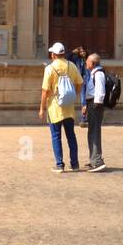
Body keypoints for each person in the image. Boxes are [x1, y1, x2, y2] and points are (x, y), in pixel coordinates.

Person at [39, 42, 83, 173]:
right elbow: (80, 83)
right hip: (68, 107)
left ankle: (59, 164)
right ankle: (74, 164)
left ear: (53, 55)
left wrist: (42, 108)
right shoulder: (72, 66)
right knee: (71, 136)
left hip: (54, 107)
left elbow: (45, 91)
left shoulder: (50, 68)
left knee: (56, 136)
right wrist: (74, 94)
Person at [82, 53, 107, 171]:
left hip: (95, 105)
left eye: (87, 61)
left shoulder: (99, 74)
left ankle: (97, 161)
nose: (86, 62)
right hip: (92, 104)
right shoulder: (93, 73)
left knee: (95, 132)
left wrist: (95, 104)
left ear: (93, 63)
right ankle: (93, 159)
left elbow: (100, 91)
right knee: (91, 131)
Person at [71, 46, 88, 125]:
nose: (82, 53)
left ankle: (88, 118)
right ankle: (84, 118)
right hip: (82, 82)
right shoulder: (77, 60)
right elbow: (68, 59)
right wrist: (72, 52)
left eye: (83, 51)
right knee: (83, 100)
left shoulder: (90, 60)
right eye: (81, 52)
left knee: (90, 100)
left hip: (89, 82)